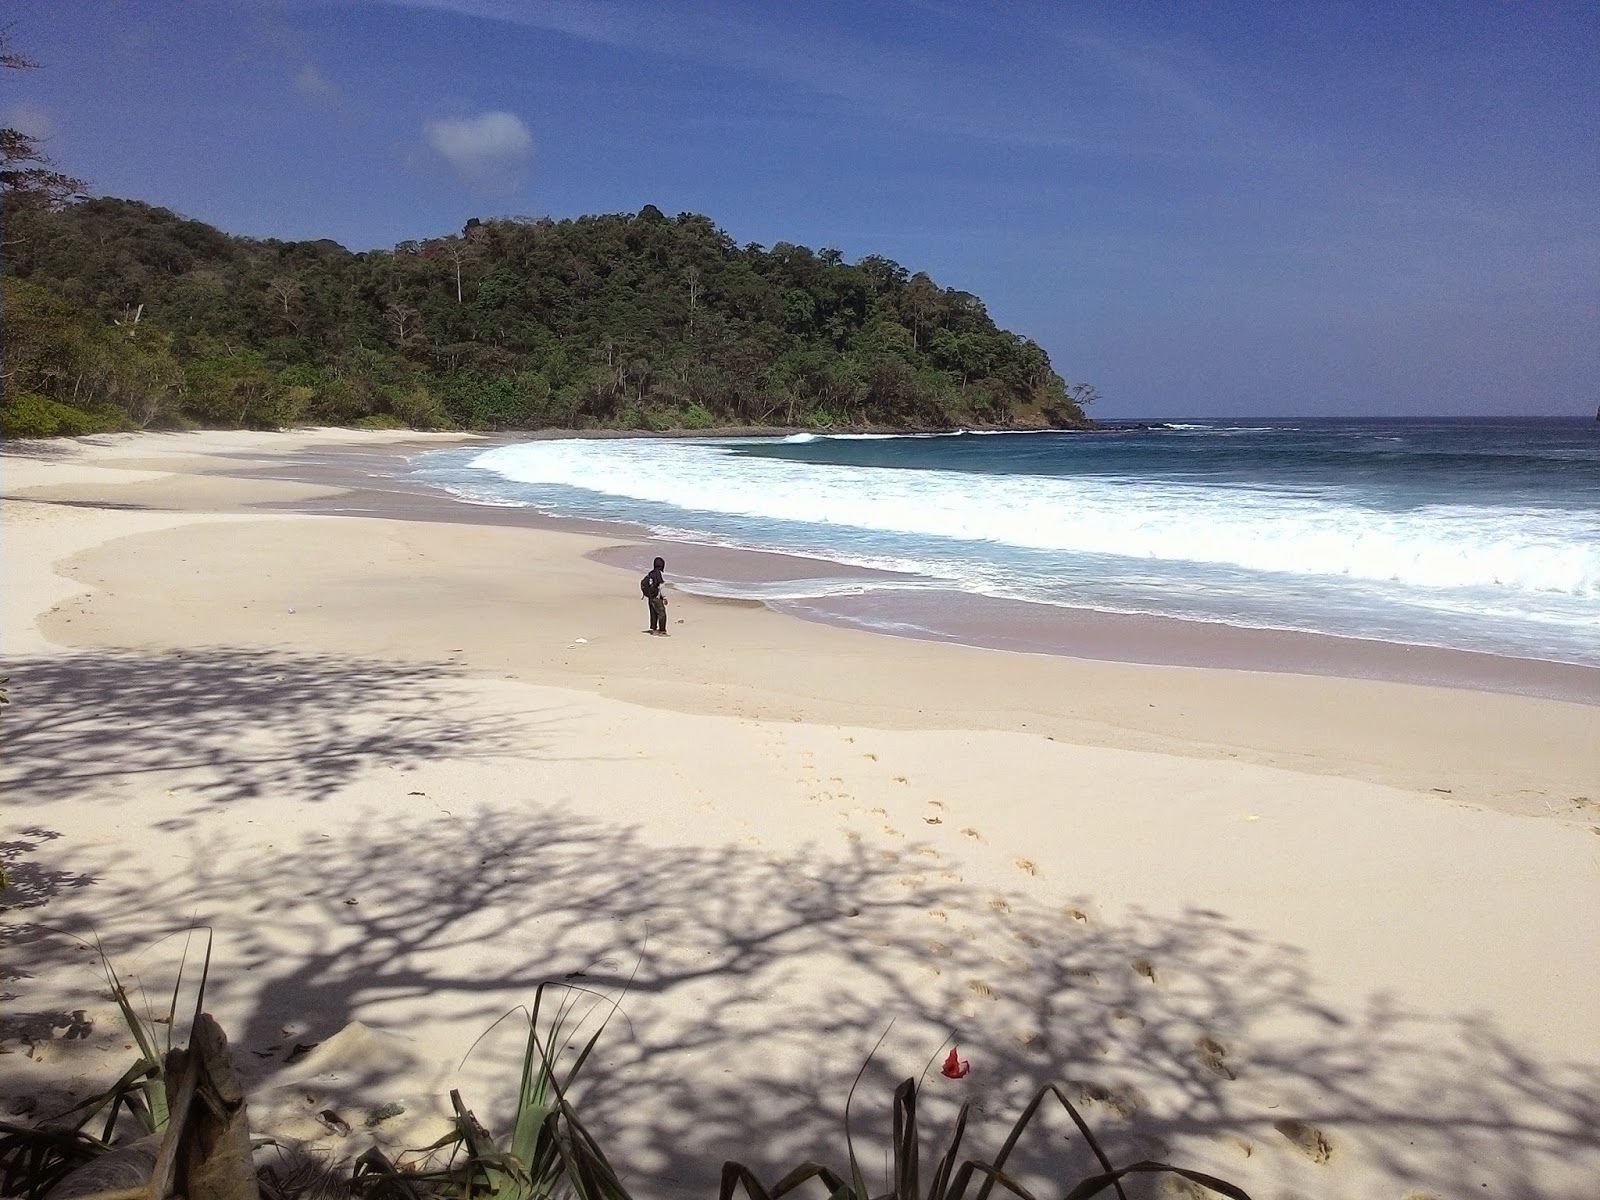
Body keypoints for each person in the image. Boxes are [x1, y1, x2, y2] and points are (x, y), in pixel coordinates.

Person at [641, 556, 668, 635]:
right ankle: (662, 630)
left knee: (653, 613)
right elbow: (661, 585)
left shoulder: (651, 573)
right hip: (656, 597)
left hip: (650, 597)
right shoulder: (658, 574)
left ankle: (653, 628)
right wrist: (664, 597)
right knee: (661, 614)